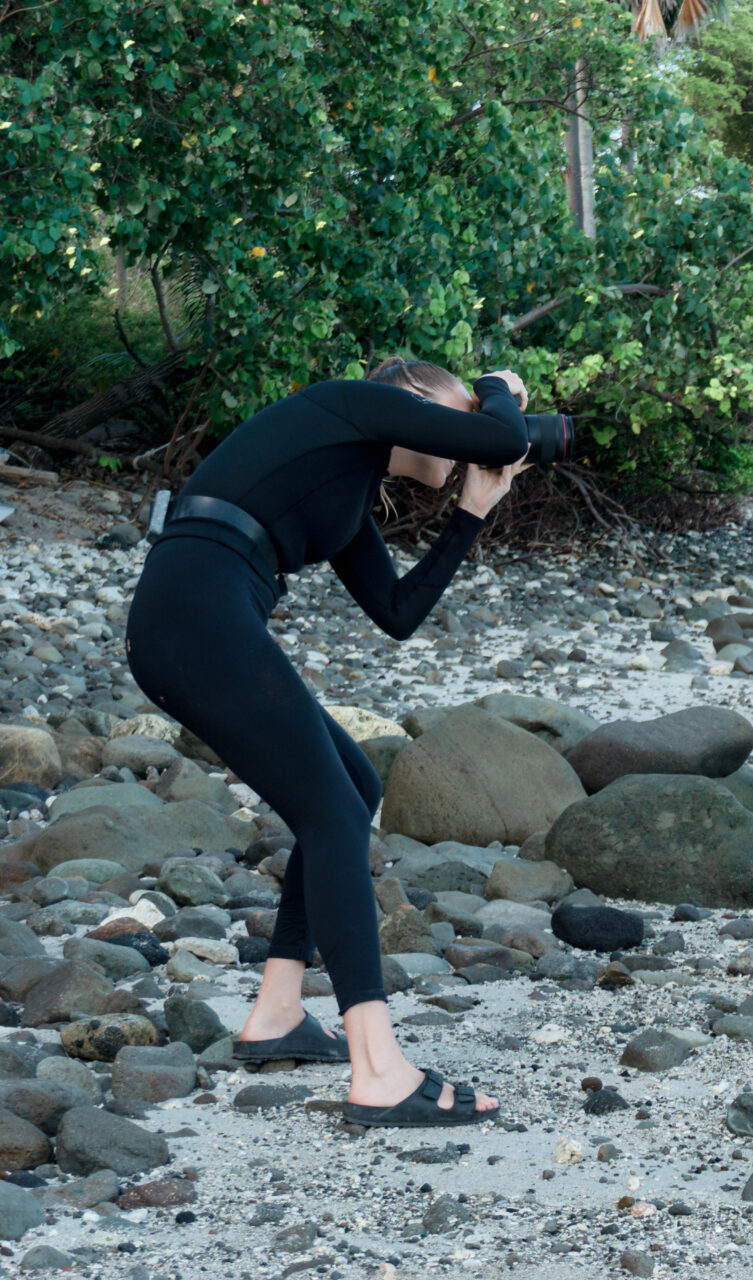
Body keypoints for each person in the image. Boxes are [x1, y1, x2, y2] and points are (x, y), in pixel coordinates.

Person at [126, 358, 532, 1128]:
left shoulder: (346, 491)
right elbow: (498, 430)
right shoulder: (350, 405)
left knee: (352, 788)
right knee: (333, 814)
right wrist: (499, 389)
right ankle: (377, 1068)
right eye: (451, 415)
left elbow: (398, 611)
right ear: (407, 401)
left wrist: (473, 512)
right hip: (193, 608)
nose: (466, 439)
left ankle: (277, 1013)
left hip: (200, 615)